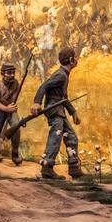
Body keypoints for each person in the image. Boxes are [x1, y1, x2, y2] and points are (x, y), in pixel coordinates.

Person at [34, 46, 81, 179]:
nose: (77, 59)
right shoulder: (61, 75)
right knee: (55, 138)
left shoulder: (64, 74)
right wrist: (36, 102)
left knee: (71, 136)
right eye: (75, 57)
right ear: (71, 60)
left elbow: (63, 97)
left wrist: (73, 112)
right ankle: (47, 168)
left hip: (58, 110)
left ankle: (73, 168)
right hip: (54, 110)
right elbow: (44, 86)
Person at [0, 61, 22, 164]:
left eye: (13, 72)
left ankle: (15, 152)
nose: (12, 75)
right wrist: (5, 108)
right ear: (2, 73)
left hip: (11, 109)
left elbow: (14, 98)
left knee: (16, 127)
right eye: (9, 73)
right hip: (0, 110)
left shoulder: (16, 83)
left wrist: (10, 107)